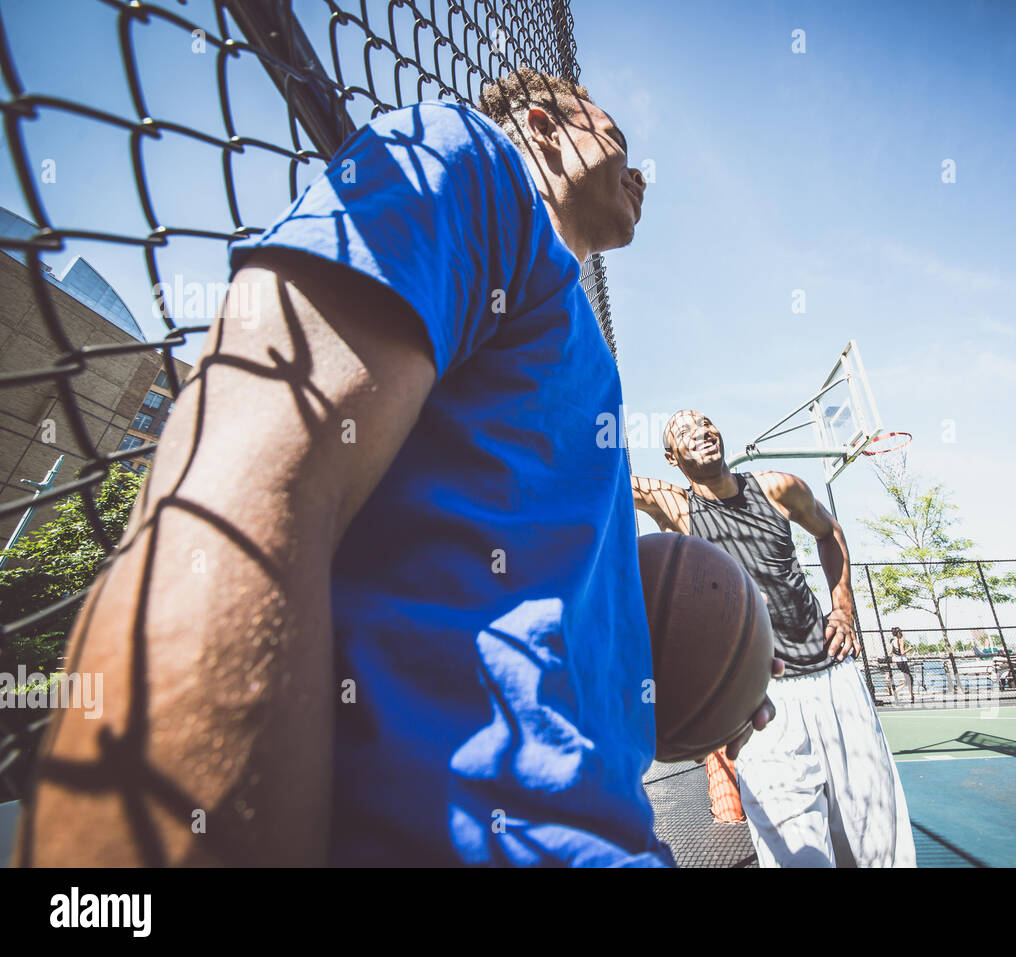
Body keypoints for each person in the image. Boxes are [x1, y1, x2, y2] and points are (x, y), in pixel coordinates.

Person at [20, 69, 778, 867]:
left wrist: (705, 667)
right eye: (620, 140)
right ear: (545, 129)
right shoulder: (463, 163)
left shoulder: (577, 344)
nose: (639, 173)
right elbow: (235, 507)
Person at [632, 410, 916, 868]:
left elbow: (831, 532)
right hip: (758, 699)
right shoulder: (676, 504)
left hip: (833, 680)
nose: (701, 431)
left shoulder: (777, 487)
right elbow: (613, 484)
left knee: (876, 847)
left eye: (706, 422)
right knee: (797, 855)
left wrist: (843, 609)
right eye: (683, 431)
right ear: (671, 457)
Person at [890, 627, 916, 703]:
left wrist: (896, 655)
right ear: (898, 633)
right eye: (900, 632)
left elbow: (891, 652)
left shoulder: (892, 642)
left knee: (908, 679)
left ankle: (911, 695)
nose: (902, 633)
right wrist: (909, 649)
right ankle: (897, 691)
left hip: (898, 662)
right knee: (910, 679)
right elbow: (902, 652)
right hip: (903, 661)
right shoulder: (901, 640)